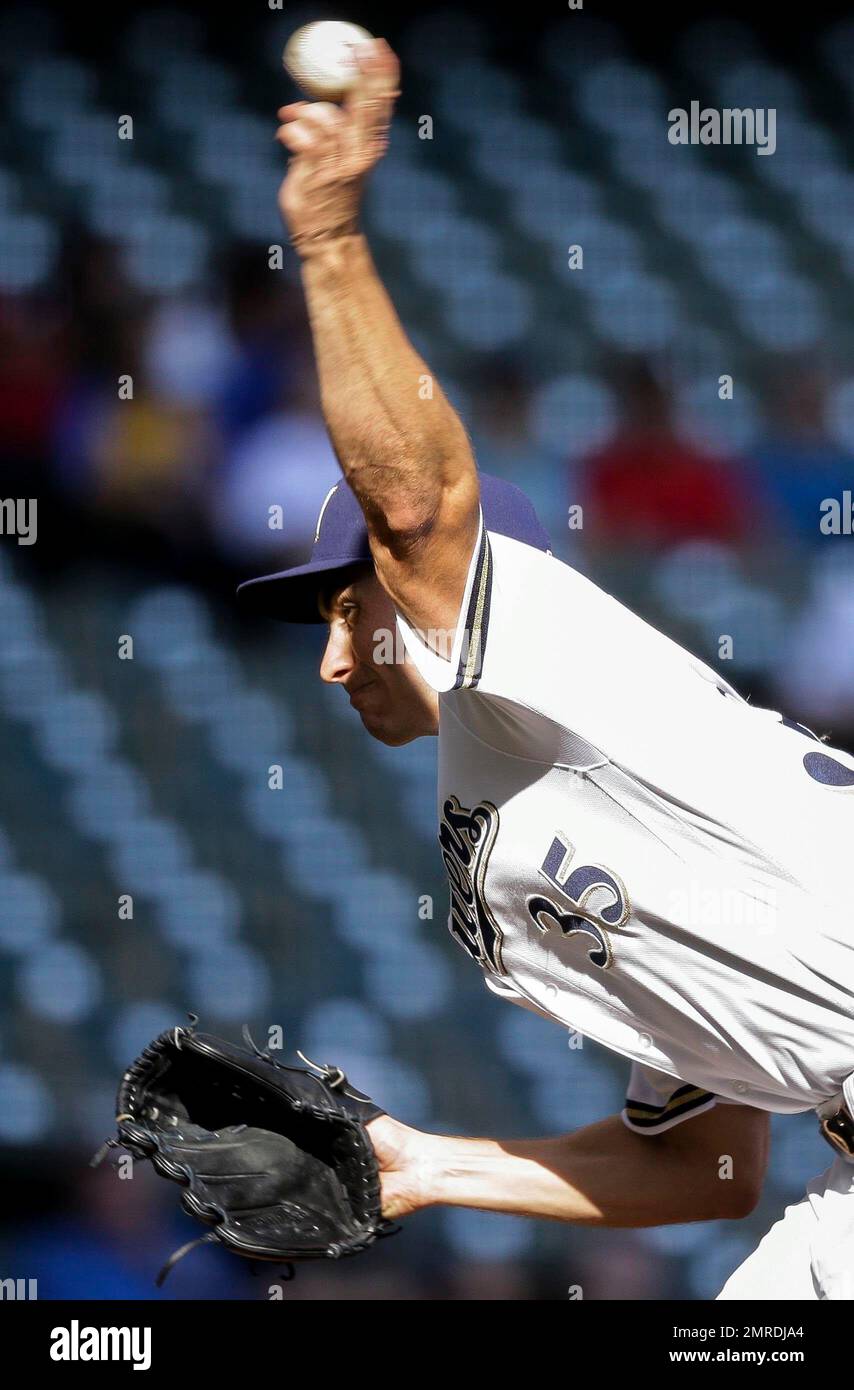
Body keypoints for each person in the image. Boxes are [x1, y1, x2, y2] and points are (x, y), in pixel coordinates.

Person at [237, 39, 854, 1300]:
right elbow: (707, 1167)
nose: (334, 658)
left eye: (352, 612)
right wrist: (418, 1167)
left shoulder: (547, 686)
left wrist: (329, 235)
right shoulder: (552, 797)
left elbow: (414, 507)